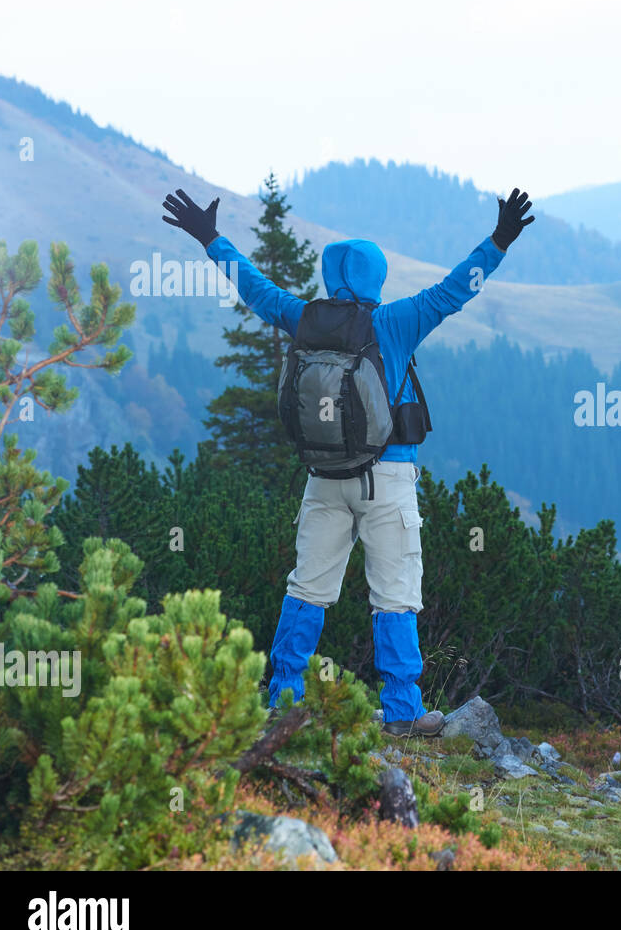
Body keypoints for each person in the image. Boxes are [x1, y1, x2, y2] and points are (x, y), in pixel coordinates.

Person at [161, 185, 534, 735]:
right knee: (395, 593)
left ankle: (282, 698)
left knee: (307, 588)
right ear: (377, 277)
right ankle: (403, 712)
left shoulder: (302, 318)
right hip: (387, 478)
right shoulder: (398, 321)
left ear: (329, 274)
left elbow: (254, 289)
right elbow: (456, 290)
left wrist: (211, 238)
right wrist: (500, 239)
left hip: (324, 479)